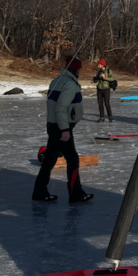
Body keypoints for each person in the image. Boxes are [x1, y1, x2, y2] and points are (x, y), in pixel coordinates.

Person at [32, 52, 94, 204]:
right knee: (72, 159)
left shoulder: (56, 81)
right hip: (62, 127)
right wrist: (65, 130)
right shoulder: (70, 85)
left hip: (53, 125)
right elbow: (60, 108)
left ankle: (39, 191)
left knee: (50, 159)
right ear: (76, 70)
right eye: (79, 69)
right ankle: (76, 193)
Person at [92, 58, 115, 123]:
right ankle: (102, 117)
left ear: (102, 65)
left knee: (107, 103)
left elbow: (112, 78)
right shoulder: (99, 72)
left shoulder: (108, 71)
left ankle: (110, 116)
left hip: (106, 89)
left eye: (99, 64)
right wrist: (95, 78)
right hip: (99, 89)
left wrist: (105, 78)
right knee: (100, 104)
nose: (98, 66)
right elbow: (95, 81)